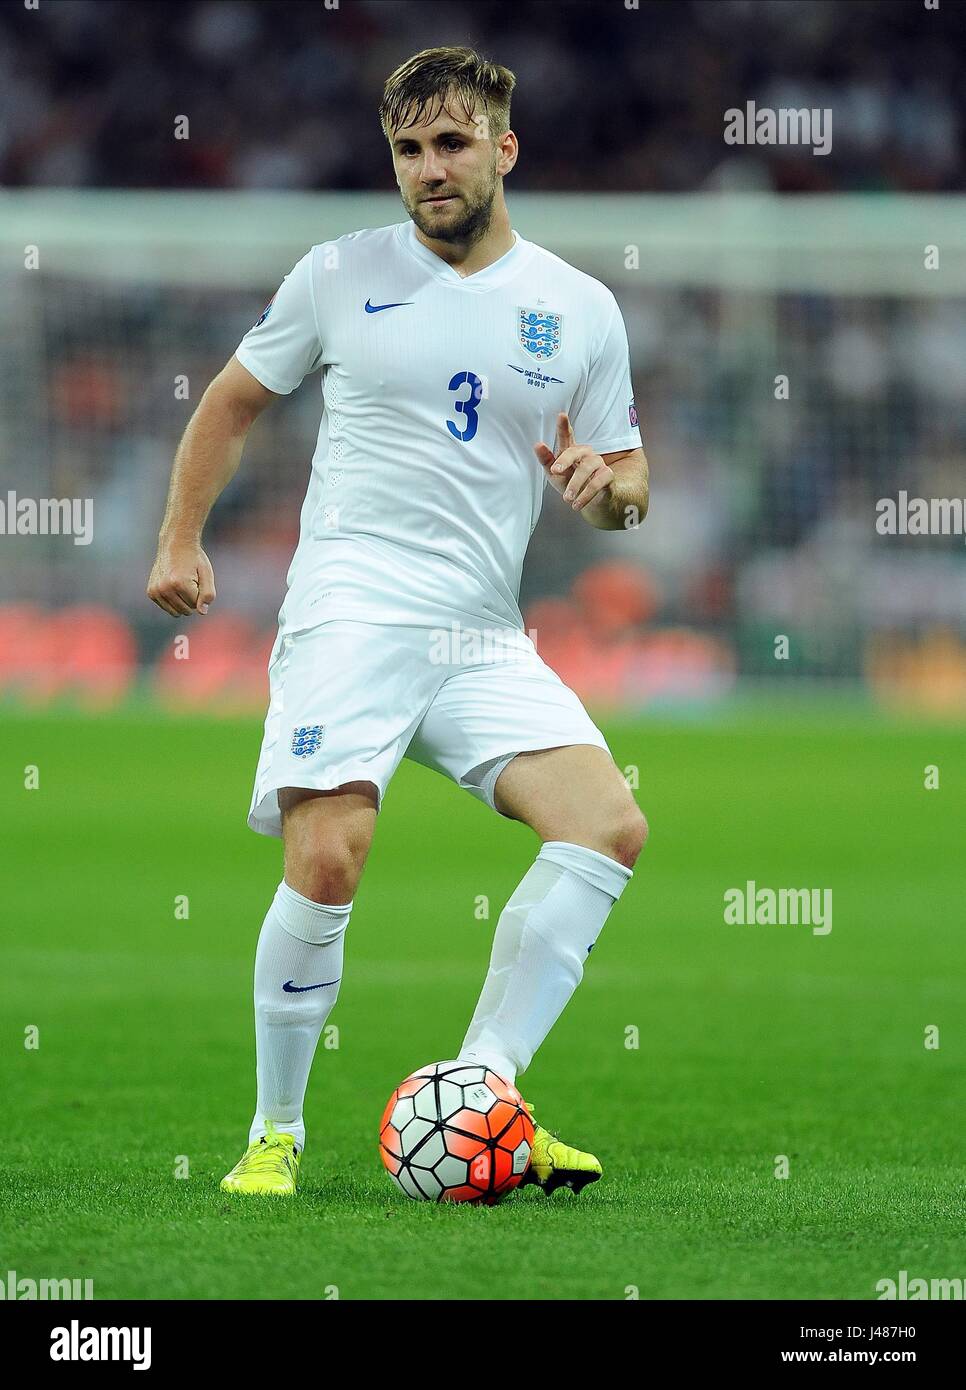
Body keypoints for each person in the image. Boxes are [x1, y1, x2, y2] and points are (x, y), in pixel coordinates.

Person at [147, 45, 649, 1199]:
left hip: (482, 630)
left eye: (453, 144)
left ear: (502, 149)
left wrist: (603, 490)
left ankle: (486, 1087)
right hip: (353, 612)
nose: (430, 169)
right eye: (410, 150)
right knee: (328, 858)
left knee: (606, 825)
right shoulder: (335, 273)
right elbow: (230, 404)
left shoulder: (579, 307)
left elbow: (630, 483)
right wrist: (180, 537)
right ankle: (275, 1132)